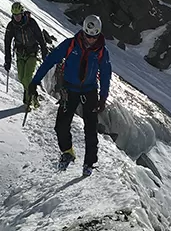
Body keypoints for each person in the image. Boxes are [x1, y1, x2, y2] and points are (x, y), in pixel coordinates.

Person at [29, 15, 111, 176]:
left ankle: (89, 163)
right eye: (88, 36)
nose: (91, 40)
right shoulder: (70, 45)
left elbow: (106, 74)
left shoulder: (102, 51)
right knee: (61, 125)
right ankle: (67, 152)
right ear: (83, 31)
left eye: (94, 36)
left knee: (91, 129)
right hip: (70, 90)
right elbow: (50, 61)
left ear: (99, 34)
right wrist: (34, 81)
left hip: (89, 91)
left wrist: (103, 97)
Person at [4, 3, 49, 109]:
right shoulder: (11, 26)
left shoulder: (31, 23)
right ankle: (33, 94)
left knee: (27, 77)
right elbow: (7, 42)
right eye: (15, 15)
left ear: (22, 13)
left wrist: (44, 52)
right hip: (20, 54)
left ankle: (28, 101)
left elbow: (40, 38)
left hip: (32, 53)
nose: (17, 17)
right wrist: (8, 60)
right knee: (21, 78)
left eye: (18, 15)